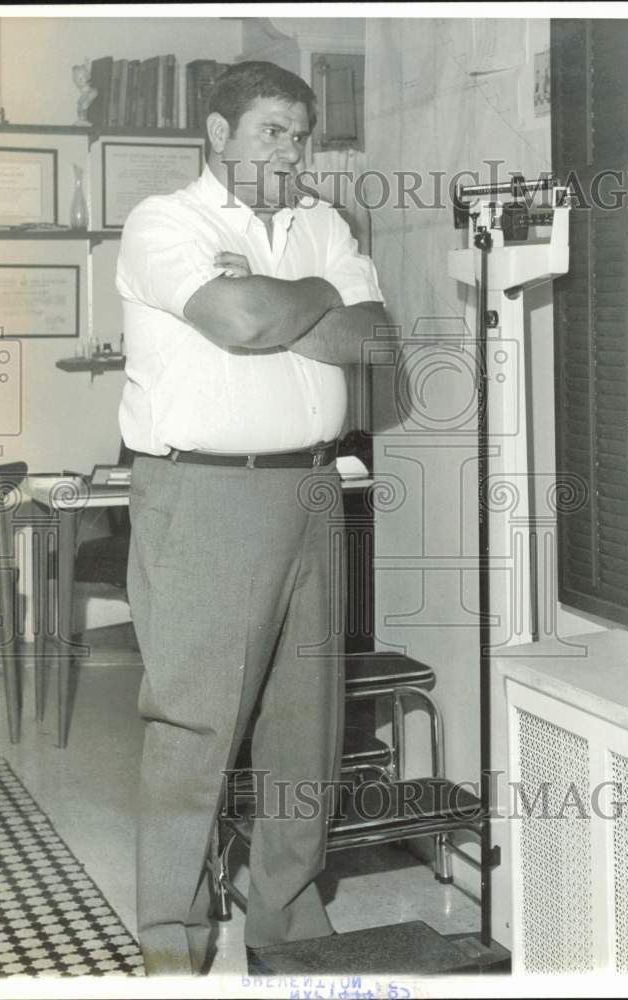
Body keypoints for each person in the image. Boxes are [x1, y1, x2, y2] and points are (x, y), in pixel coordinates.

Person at [115, 60, 387, 976]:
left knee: (304, 724)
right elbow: (233, 320)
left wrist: (288, 295)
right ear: (218, 134)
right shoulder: (166, 222)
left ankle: (286, 919)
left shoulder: (324, 221)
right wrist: (315, 296)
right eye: (272, 129)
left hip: (315, 488)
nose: (292, 149)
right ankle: (172, 940)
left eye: (301, 133)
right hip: (203, 493)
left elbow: (375, 336)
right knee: (197, 726)